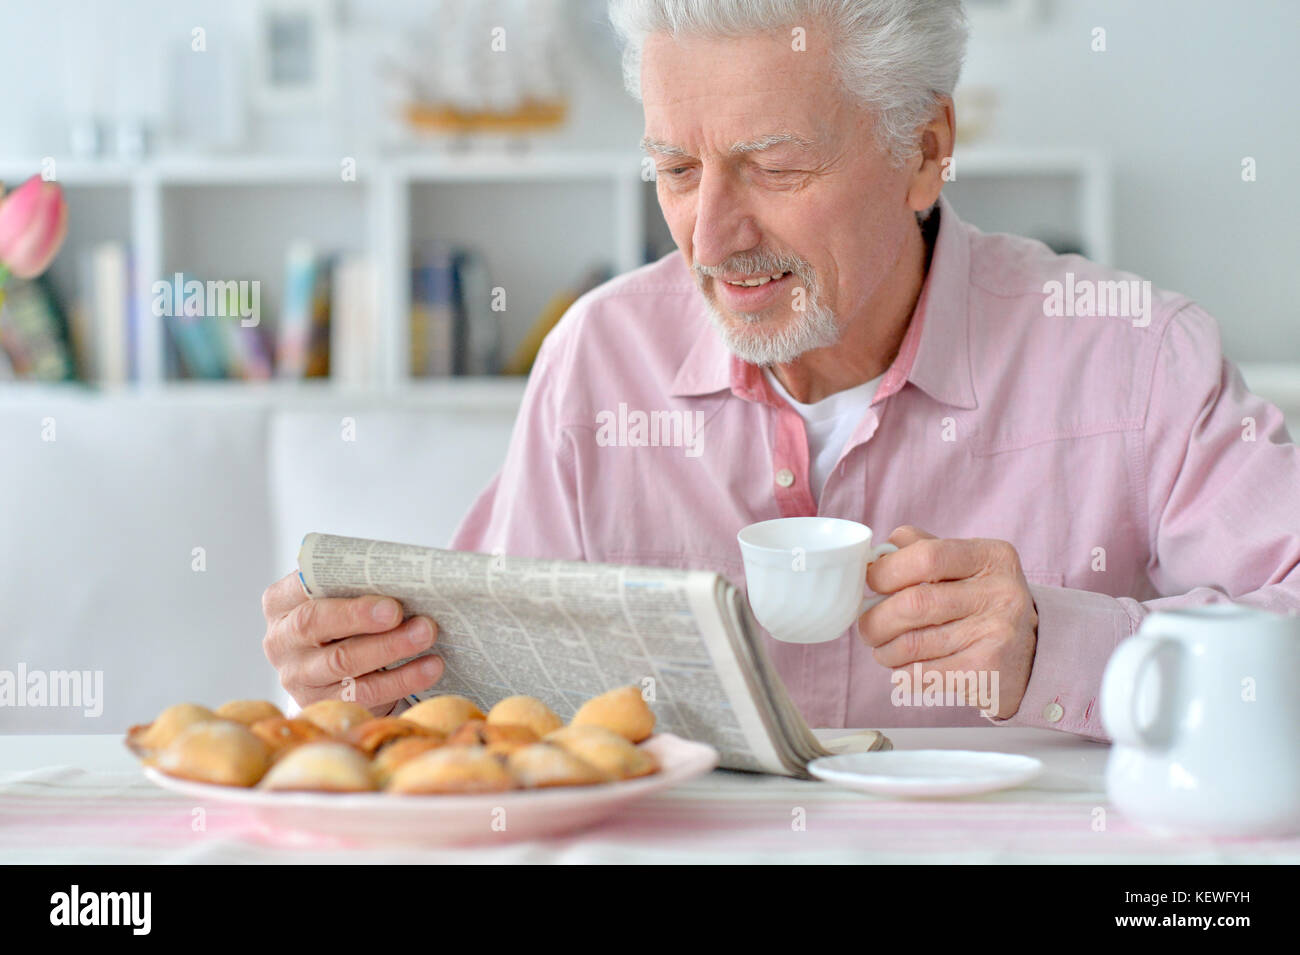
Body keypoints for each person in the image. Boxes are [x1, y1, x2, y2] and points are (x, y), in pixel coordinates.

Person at [262, 0, 1300, 737]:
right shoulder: (598, 361)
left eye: (775, 166)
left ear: (925, 147)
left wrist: (1055, 648)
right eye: (674, 168)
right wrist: (370, 683)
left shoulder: (1128, 354)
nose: (710, 236)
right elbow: (496, 703)